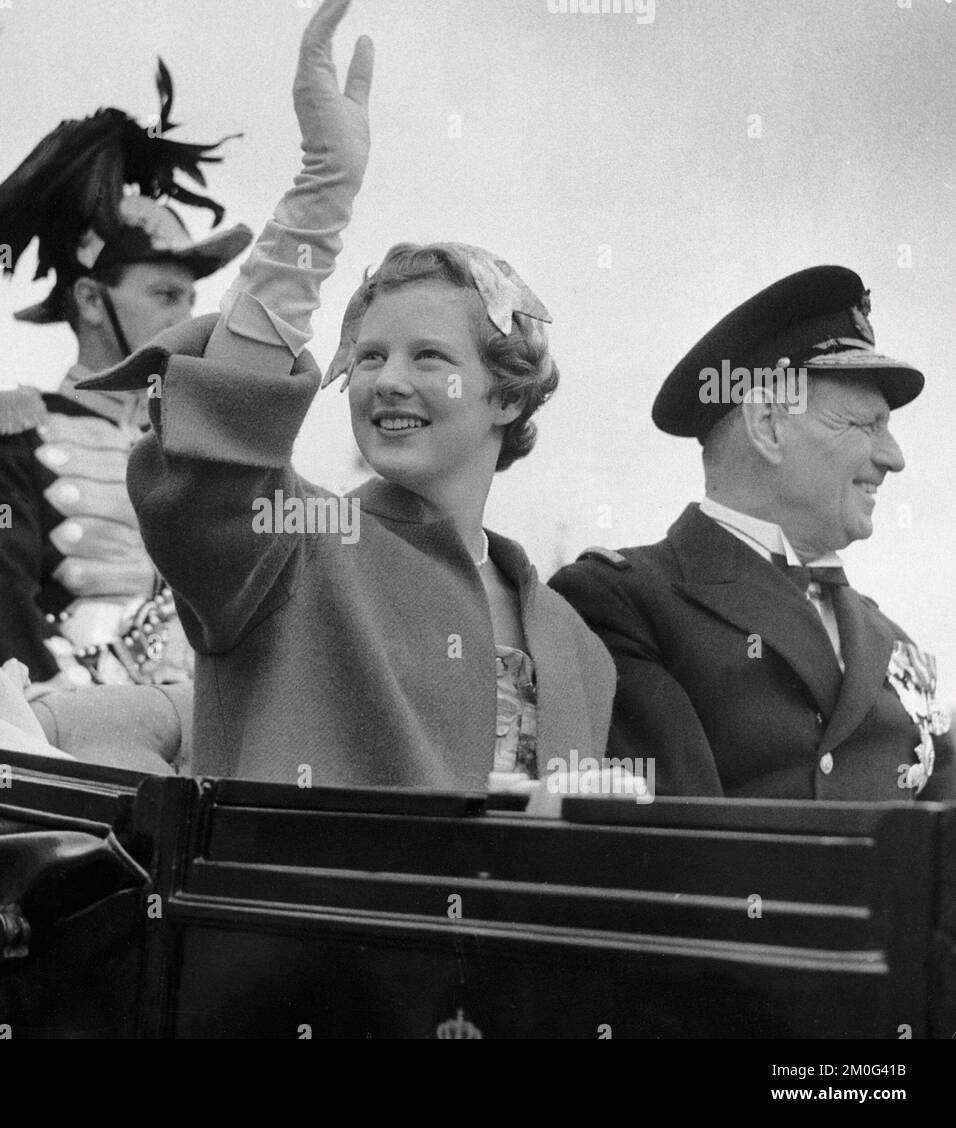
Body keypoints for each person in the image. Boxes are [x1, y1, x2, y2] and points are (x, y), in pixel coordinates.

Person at [72, 0, 616, 792]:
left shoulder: (578, 647)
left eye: (429, 356)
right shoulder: (291, 546)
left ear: (508, 395)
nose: (386, 379)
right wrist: (321, 193)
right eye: (367, 357)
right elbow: (220, 449)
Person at [550, 266, 953, 800]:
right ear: (768, 425)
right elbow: (682, 848)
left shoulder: (892, 641)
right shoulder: (622, 602)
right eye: (864, 425)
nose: (893, 458)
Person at [0, 63, 251, 695]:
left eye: (191, 298)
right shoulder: (8, 431)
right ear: (89, 300)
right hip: (63, 715)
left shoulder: (191, 449)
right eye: (166, 295)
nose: (186, 318)